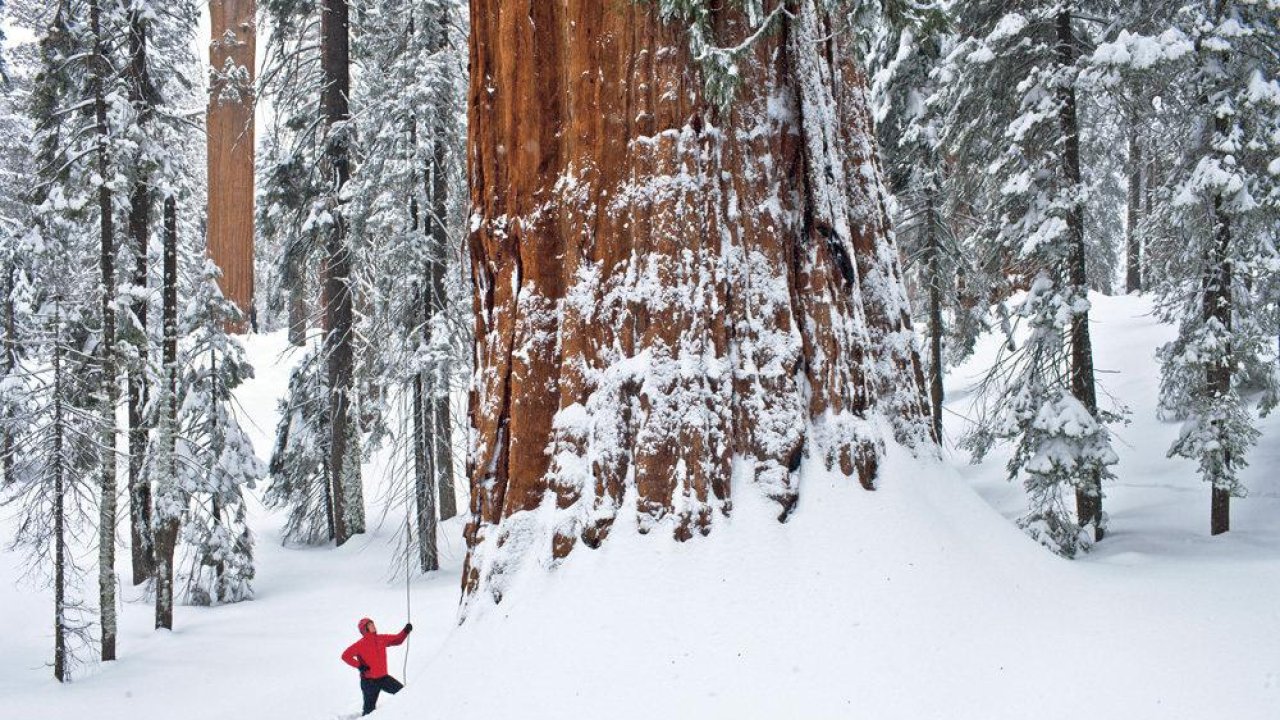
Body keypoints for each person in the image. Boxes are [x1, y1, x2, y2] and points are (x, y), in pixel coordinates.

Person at [341, 618, 413, 716]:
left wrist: (405, 631)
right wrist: (359, 665)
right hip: (368, 682)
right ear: (364, 629)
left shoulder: (381, 638)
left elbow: (397, 639)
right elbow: (345, 656)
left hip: (384, 678)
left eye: (373, 624)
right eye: (370, 625)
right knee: (369, 711)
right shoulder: (360, 644)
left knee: (403, 693)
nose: (373, 626)